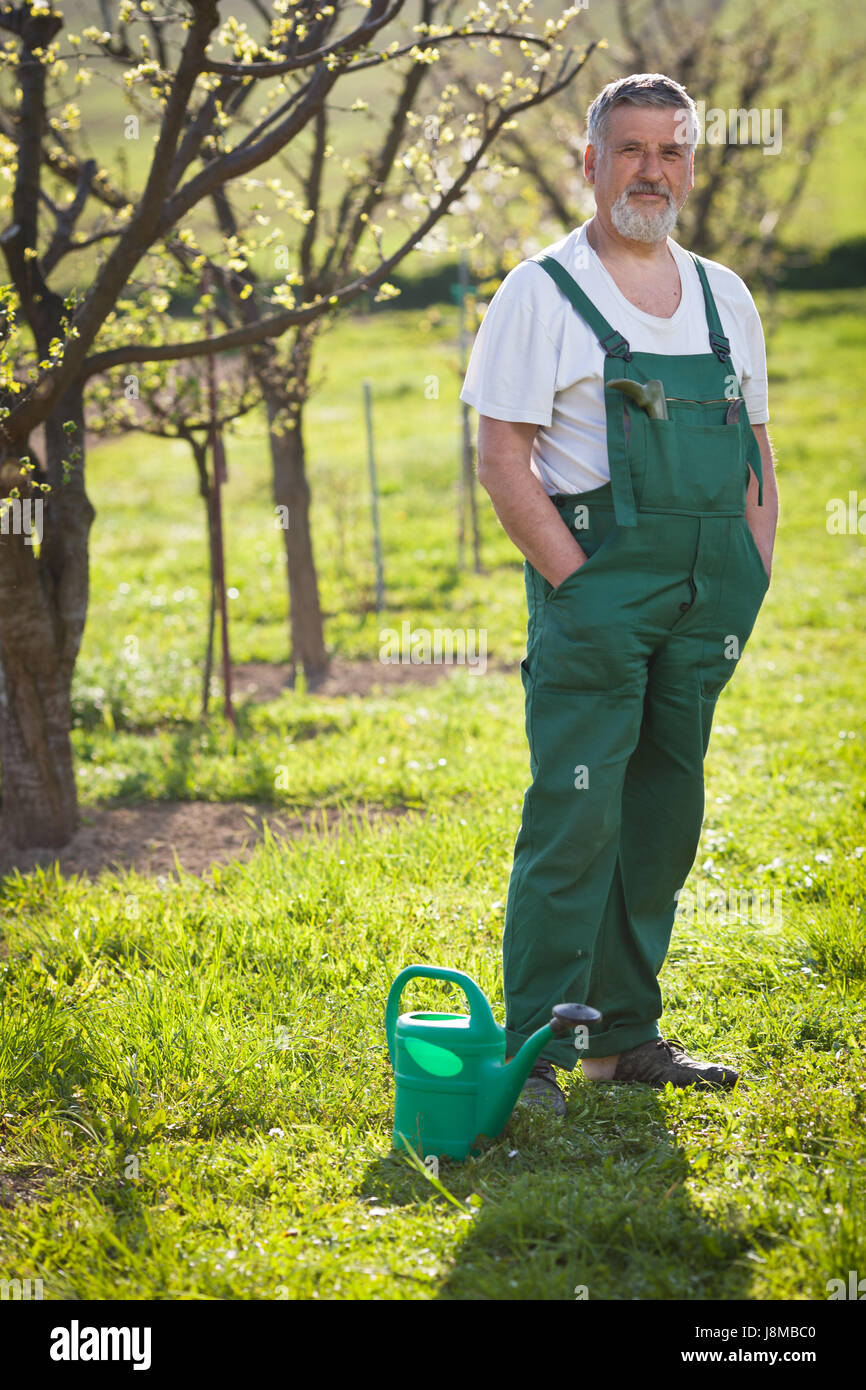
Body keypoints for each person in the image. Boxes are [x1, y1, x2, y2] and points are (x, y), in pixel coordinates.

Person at [459, 73, 778, 1112]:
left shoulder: (724, 296)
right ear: (591, 161)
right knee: (575, 816)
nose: (652, 169)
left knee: (660, 816)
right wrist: (576, 584)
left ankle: (623, 1038)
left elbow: (756, 449)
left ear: (690, 163)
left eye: (671, 150)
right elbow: (501, 458)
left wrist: (750, 572)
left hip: (706, 595)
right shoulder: (541, 291)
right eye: (631, 149)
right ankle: (537, 1050)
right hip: (597, 586)